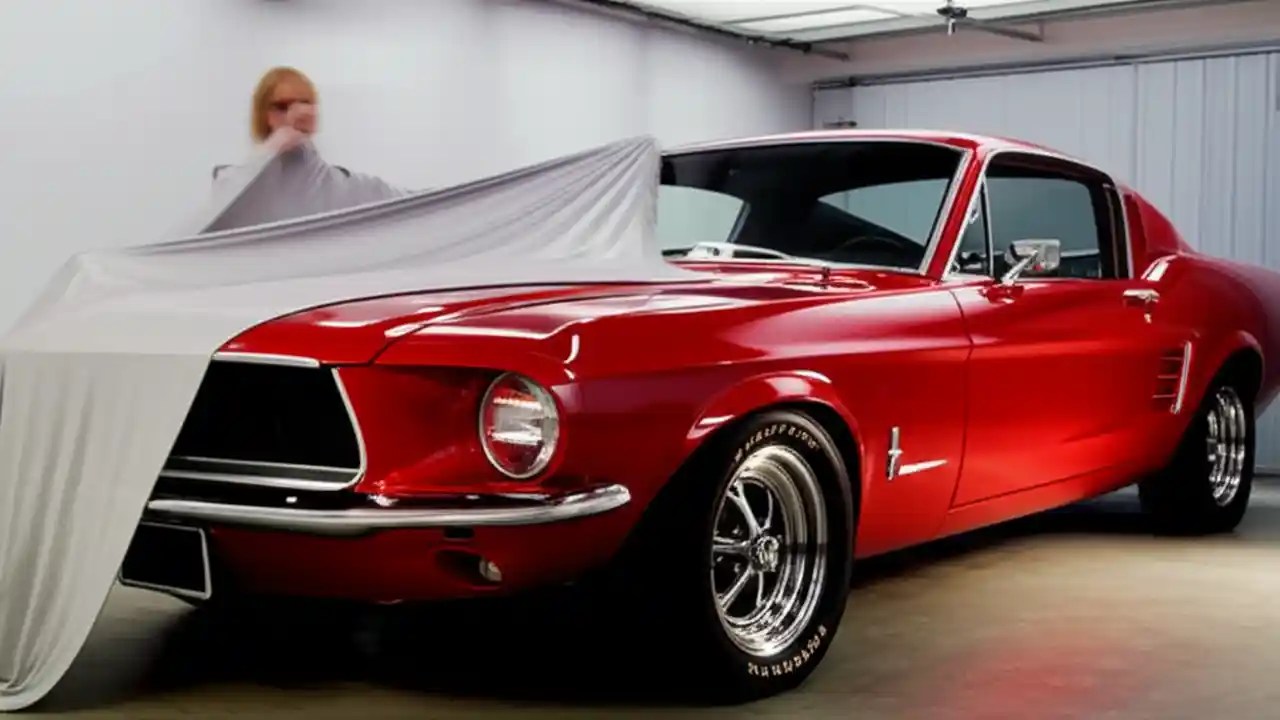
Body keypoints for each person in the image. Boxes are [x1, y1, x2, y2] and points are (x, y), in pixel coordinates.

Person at [204, 66, 409, 232]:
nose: (298, 113)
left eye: (305, 103)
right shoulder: (232, 185)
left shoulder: (342, 186)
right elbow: (202, 229)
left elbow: (407, 204)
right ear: (264, 115)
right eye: (282, 106)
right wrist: (275, 145)